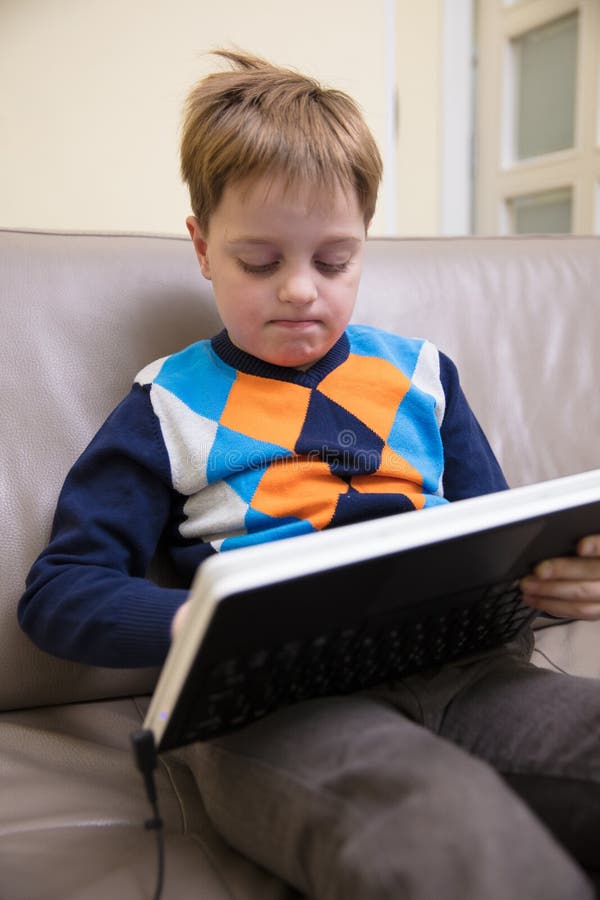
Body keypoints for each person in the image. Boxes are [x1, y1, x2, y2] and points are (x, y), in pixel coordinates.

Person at [19, 50, 600, 899]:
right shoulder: (169, 403)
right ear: (202, 247)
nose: (300, 292)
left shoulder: (423, 377)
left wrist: (560, 580)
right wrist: (194, 625)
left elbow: (496, 539)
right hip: (272, 702)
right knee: (432, 826)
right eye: (260, 262)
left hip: (472, 672)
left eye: (335, 262)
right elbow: (59, 590)